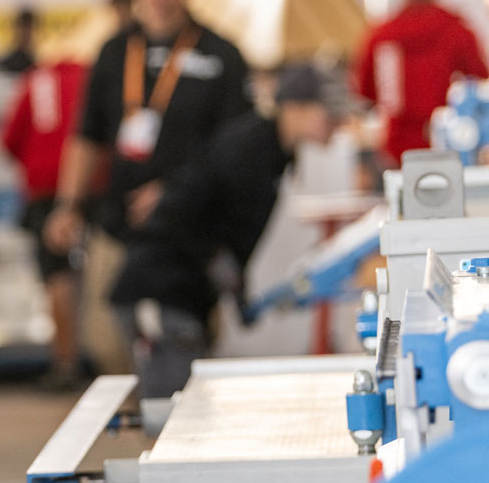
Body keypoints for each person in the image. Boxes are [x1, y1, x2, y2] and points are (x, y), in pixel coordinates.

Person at [109, 64, 345, 399]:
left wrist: (234, 285)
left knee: (184, 406)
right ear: (294, 107)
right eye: (330, 113)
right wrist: (220, 265)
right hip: (160, 287)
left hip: (182, 291)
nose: (338, 124)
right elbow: (177, 214)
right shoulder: (249, 147)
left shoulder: (273, 151)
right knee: (173, 413)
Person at [44, 0, 252, 258]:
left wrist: (174, 191)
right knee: (107, 303)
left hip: (192, 230)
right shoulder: (115, 51)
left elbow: (232, 148)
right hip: (118, 225)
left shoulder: (220, 55)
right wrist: (68, 205)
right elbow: (87, 134)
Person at [0, 48, 89, 389]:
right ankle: (104, 360)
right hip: (92, 186)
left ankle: (66, 363)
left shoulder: (36, 80)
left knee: (57, 277)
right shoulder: (95, 77)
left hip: (46, 192)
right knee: (89, 276)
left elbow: (8, 138)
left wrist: (37, 167)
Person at [353, 0, 488, 164]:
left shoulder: (381, 35)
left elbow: (365, 94)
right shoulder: (456, 30)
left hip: (396, 149)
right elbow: (480, 84)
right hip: (449, 146)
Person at [0, 4, 38, 73]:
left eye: (30, 28)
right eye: (23, 28)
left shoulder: (40, 62)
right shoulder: (9, 63)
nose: (27, 33)